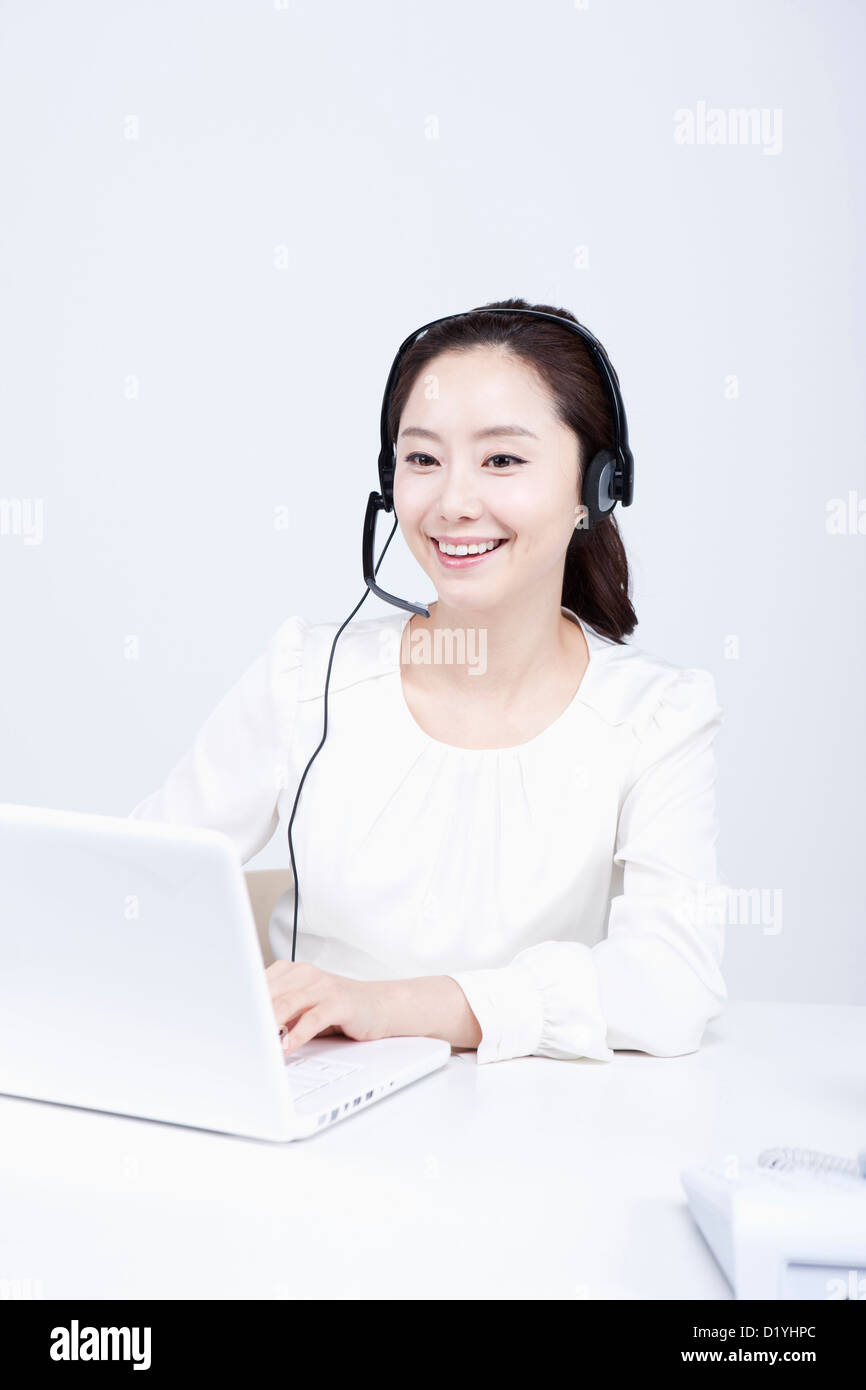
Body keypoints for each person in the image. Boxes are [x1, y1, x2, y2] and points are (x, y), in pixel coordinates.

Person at [129, 298, 728, 1066]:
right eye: (421, 459)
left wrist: (391, 1006)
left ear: (598, 486)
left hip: (542, 1138)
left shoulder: (657, 716)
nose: (453, 503)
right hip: (308, 1114)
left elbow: (672, 982)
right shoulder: (306, 675)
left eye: (502, 460)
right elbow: (135, 877)